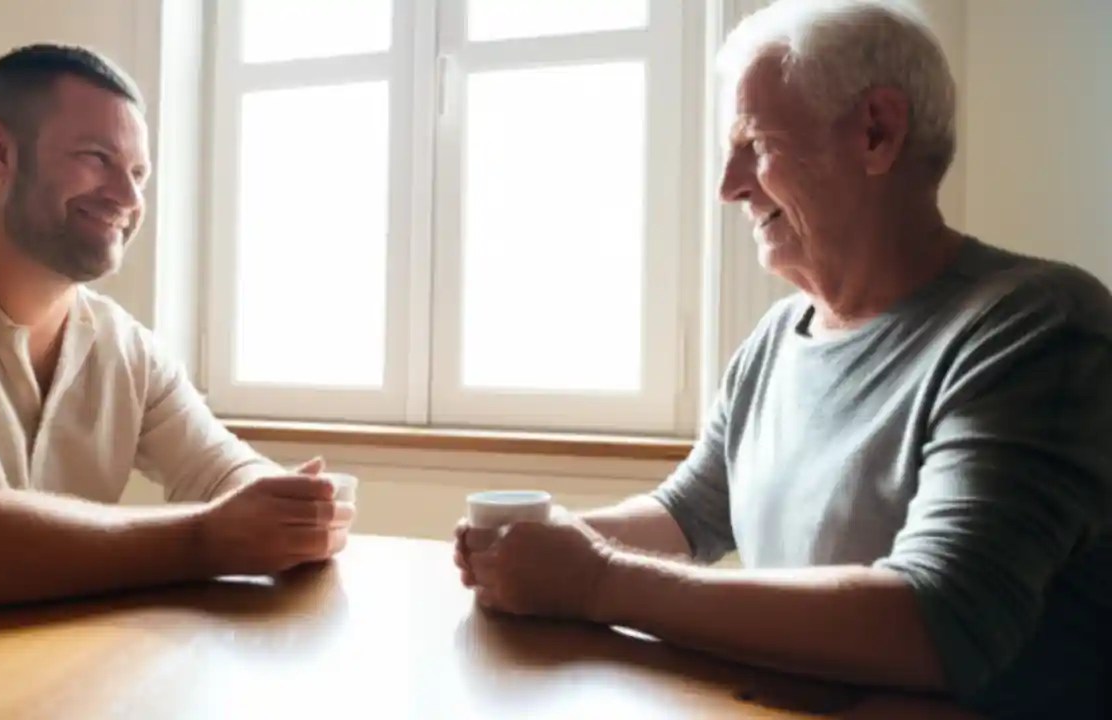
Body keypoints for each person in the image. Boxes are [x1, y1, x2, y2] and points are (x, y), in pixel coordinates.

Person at [454, 1, 1110, 717]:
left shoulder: (1040, 326)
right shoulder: (777, 338)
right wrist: (534, 548)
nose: (728, 185)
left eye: (755, 144)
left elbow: (937, 619)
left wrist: (596, 581)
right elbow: (688, 516)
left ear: (876, 132)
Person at [0, 44, 354, 609]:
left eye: (138, 172)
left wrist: (295, 510)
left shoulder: (126, 348)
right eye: (96, 158)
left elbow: (222, 472)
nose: (129, 198)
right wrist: (207, 537)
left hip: (35, 680)